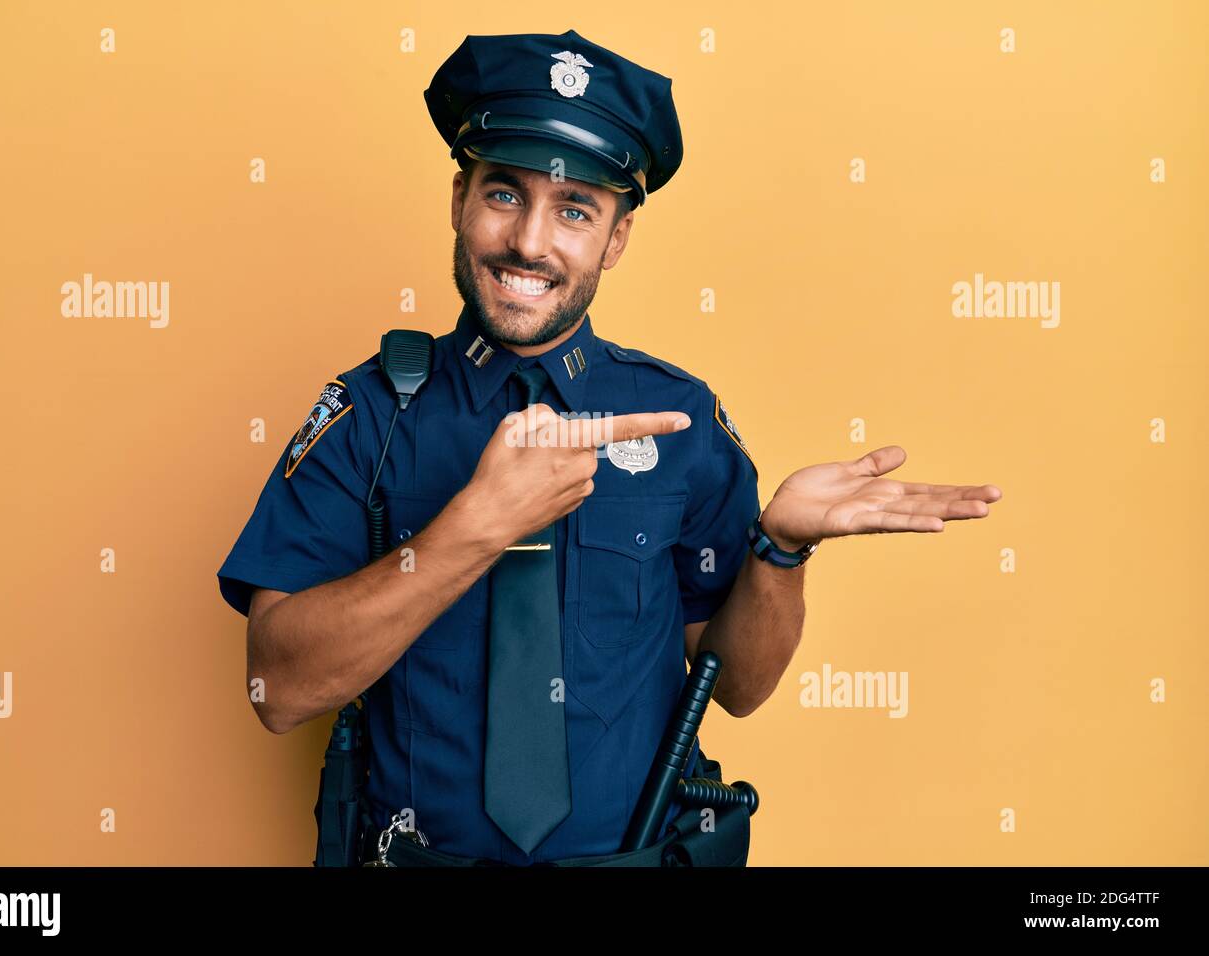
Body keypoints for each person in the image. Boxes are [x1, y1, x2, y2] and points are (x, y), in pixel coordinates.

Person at [216, 29, 1002, 866]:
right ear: (458, 200)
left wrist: (781, 550)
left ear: (616, 239)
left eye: (576, 210)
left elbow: (734, 687)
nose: (529, 243)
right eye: (504, 195)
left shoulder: (679, 417)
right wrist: (475, 528)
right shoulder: (368, 414)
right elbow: (279, 689)